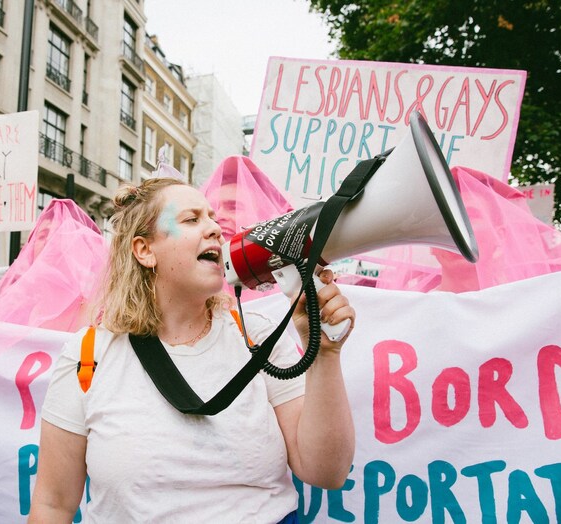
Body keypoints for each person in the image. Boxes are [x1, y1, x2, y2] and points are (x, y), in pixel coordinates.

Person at [28, 178, 356, 522]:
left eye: (213, 218)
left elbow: (326, 472)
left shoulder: (255, 335)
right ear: (144, 250)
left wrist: (324, 354)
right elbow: (53, 504)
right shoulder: (89, 355)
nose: (215, 228)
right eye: (192, 219)